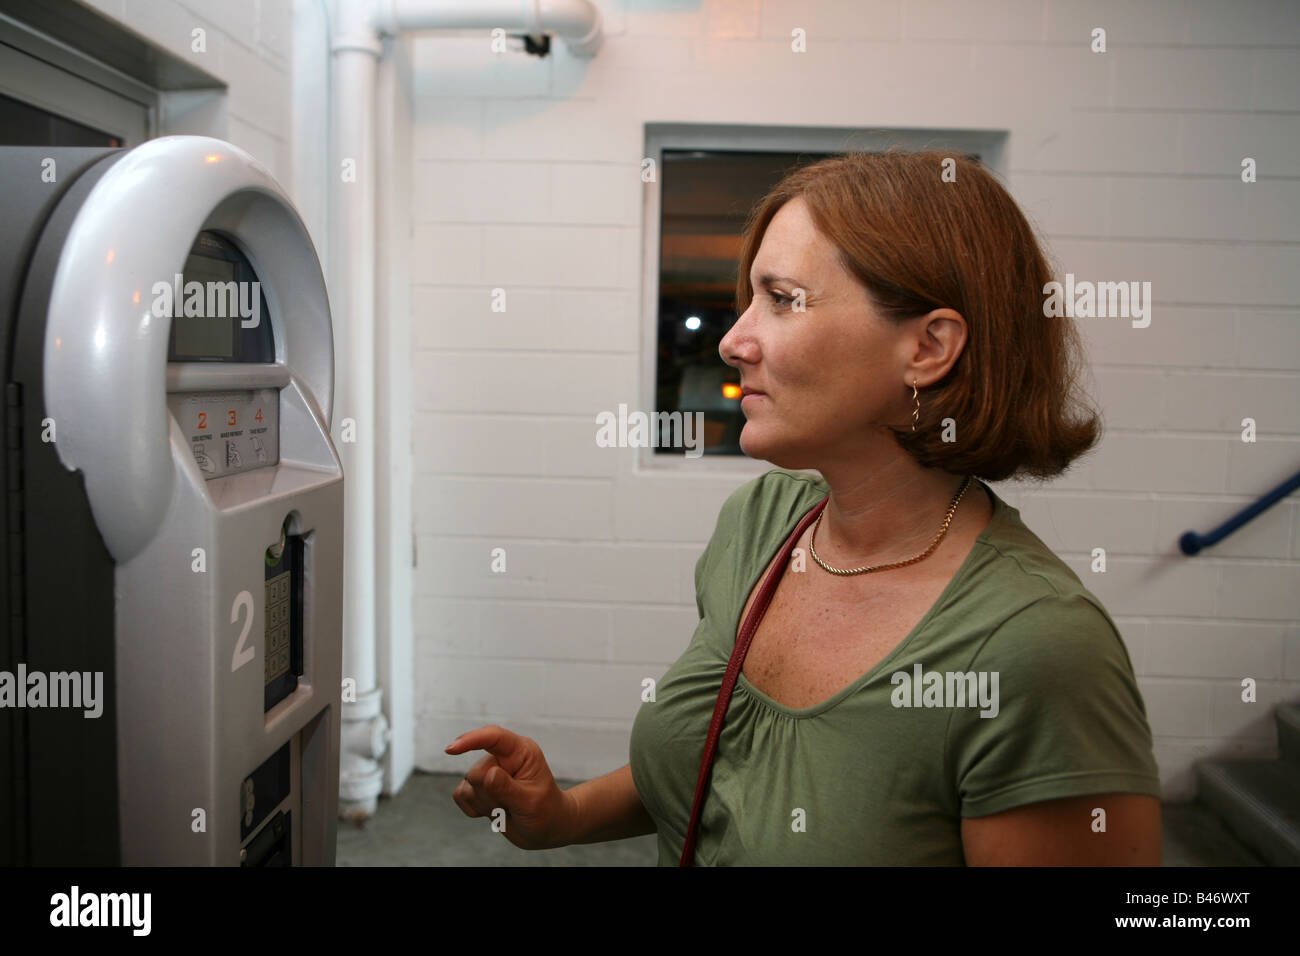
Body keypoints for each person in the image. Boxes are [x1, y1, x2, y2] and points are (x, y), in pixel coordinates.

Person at [446, 149, 1162, 865]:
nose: (732, 341)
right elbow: (724, 765)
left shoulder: (1036, 650)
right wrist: (564, 815)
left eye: (783, 299)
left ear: (929, 347)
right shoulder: (762, 522)